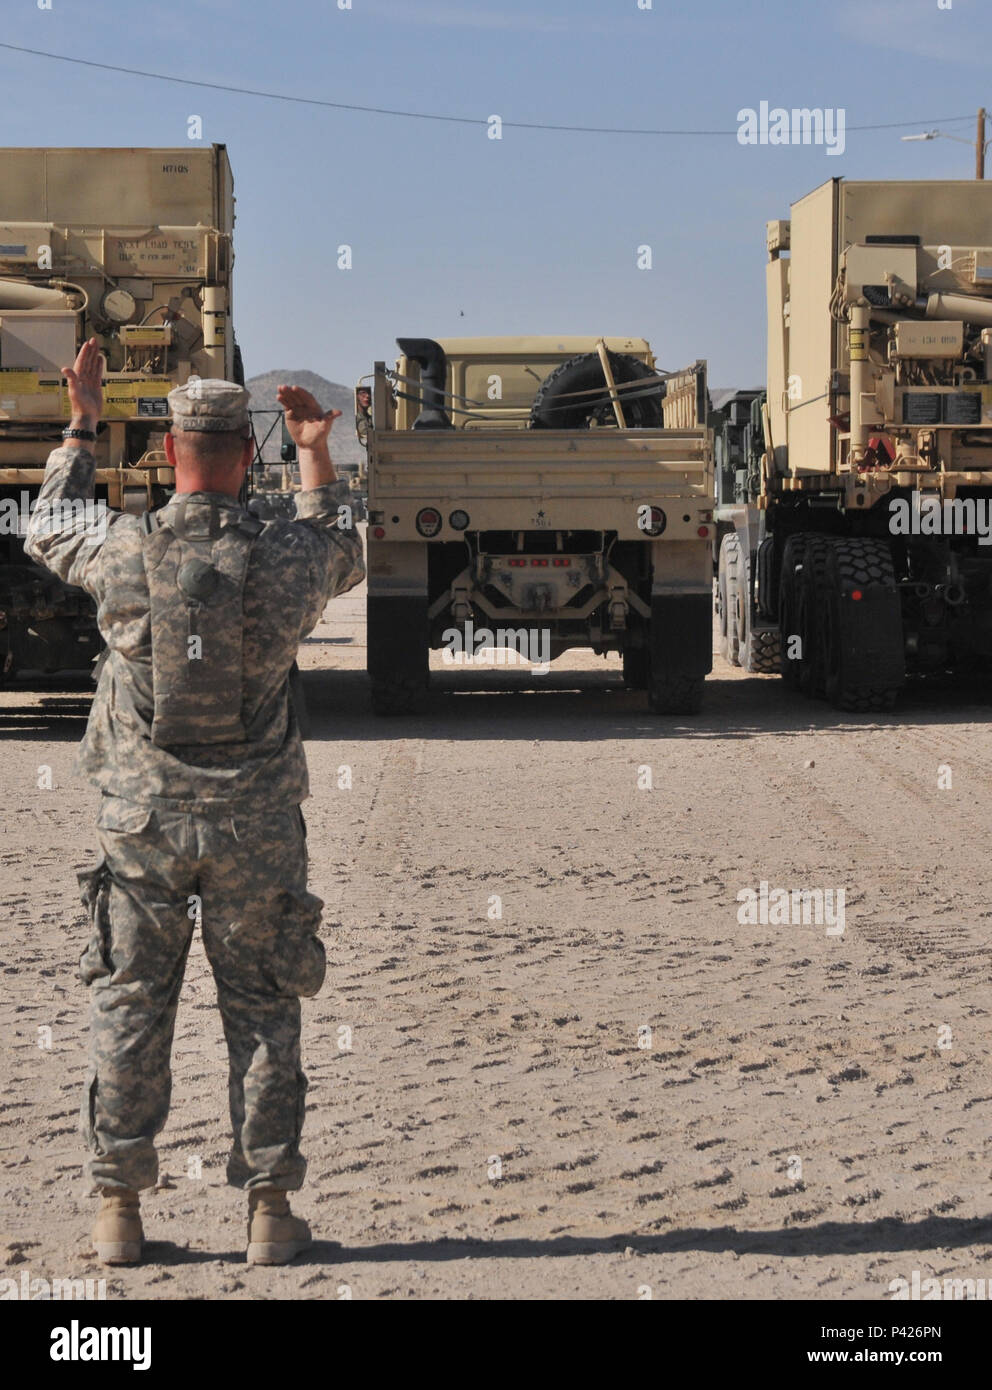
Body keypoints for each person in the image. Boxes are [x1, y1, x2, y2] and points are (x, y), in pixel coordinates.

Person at [25, 340, 365, 1266]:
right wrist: (315, 451)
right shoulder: (290, 558)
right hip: (256, 822)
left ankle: (119, 1214)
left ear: (167, 453)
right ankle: (267, 1212)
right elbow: (344, 545)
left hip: (142, 824)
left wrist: (84, 421)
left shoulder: (122, 550)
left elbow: (45, 523)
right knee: (261, 1005)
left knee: (132, 1000)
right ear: (243, 456)